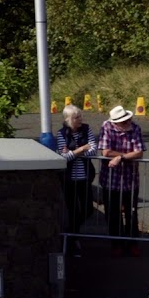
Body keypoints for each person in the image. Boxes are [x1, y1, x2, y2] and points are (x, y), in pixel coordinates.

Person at [97, 105, 146, 256]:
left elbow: (138, 153)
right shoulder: (106, 127)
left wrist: (120, 157)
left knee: (132, 213)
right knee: (113, 213)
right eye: (123, 122)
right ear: (115, 123)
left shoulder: (135, 128)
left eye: (128, 120)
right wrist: (126, 155)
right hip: (111, 179)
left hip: (130, 179)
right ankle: (116, 244)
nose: (127, 123)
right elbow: (106, 151)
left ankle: (132, 243)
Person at [57, 104, 97, 256]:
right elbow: (63, 157)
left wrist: (72, 152)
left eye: (80, 116)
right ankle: (74, 241)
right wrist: (81, 149)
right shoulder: (62, 134)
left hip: (84, 177)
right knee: (73, 210)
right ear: (68, 119)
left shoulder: (87, 130)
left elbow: (93, 150)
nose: (80, 119)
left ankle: (71, 233)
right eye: (76, 117)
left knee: (88, 209)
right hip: (70, 179)